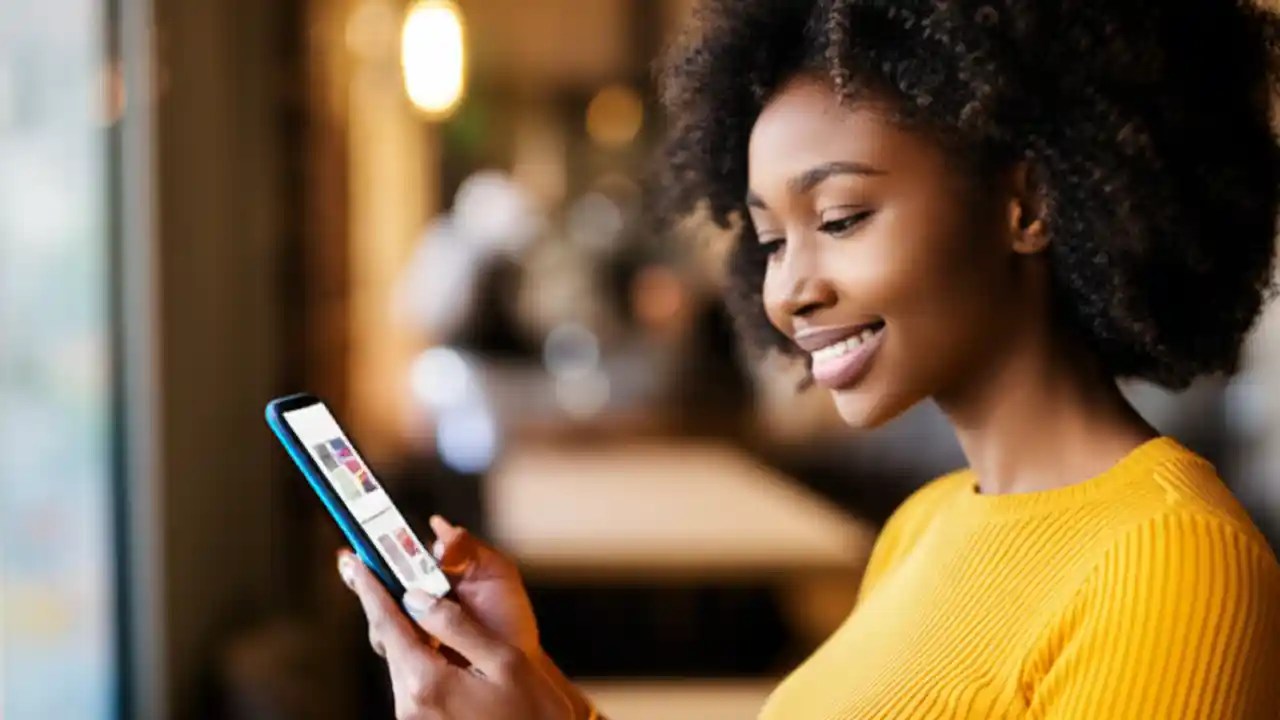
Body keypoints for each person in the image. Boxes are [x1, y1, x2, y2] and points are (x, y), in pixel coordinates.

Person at [337, 0, 1280, 717]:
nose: (787, 291)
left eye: (838, 219)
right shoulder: (928, 524)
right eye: (772, 241)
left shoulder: (1171, 560)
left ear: (1028, 204)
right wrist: (542, 700)